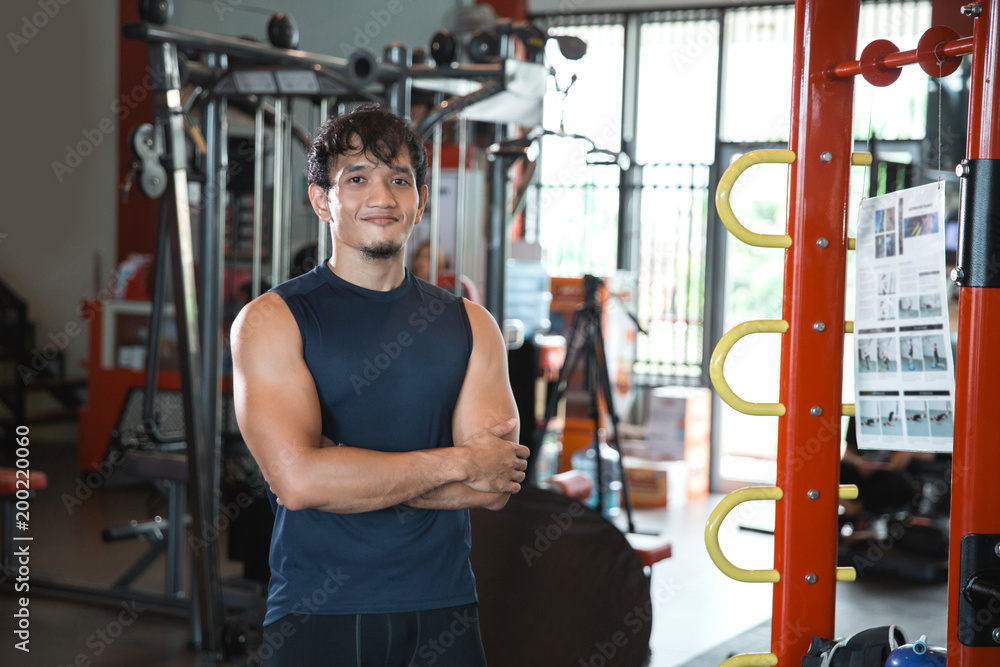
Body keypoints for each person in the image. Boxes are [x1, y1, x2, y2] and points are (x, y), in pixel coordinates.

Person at [231, 104, 529, 666]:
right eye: (358, 178)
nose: (382, 197)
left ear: (419, 200)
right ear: (322, 200)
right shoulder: (271, 320)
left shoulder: (472, 325)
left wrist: (345, 469)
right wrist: (456, 462)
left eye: (399, 180)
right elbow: (298, 482)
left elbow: (492, 486)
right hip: (319, 612)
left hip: (444, 609)